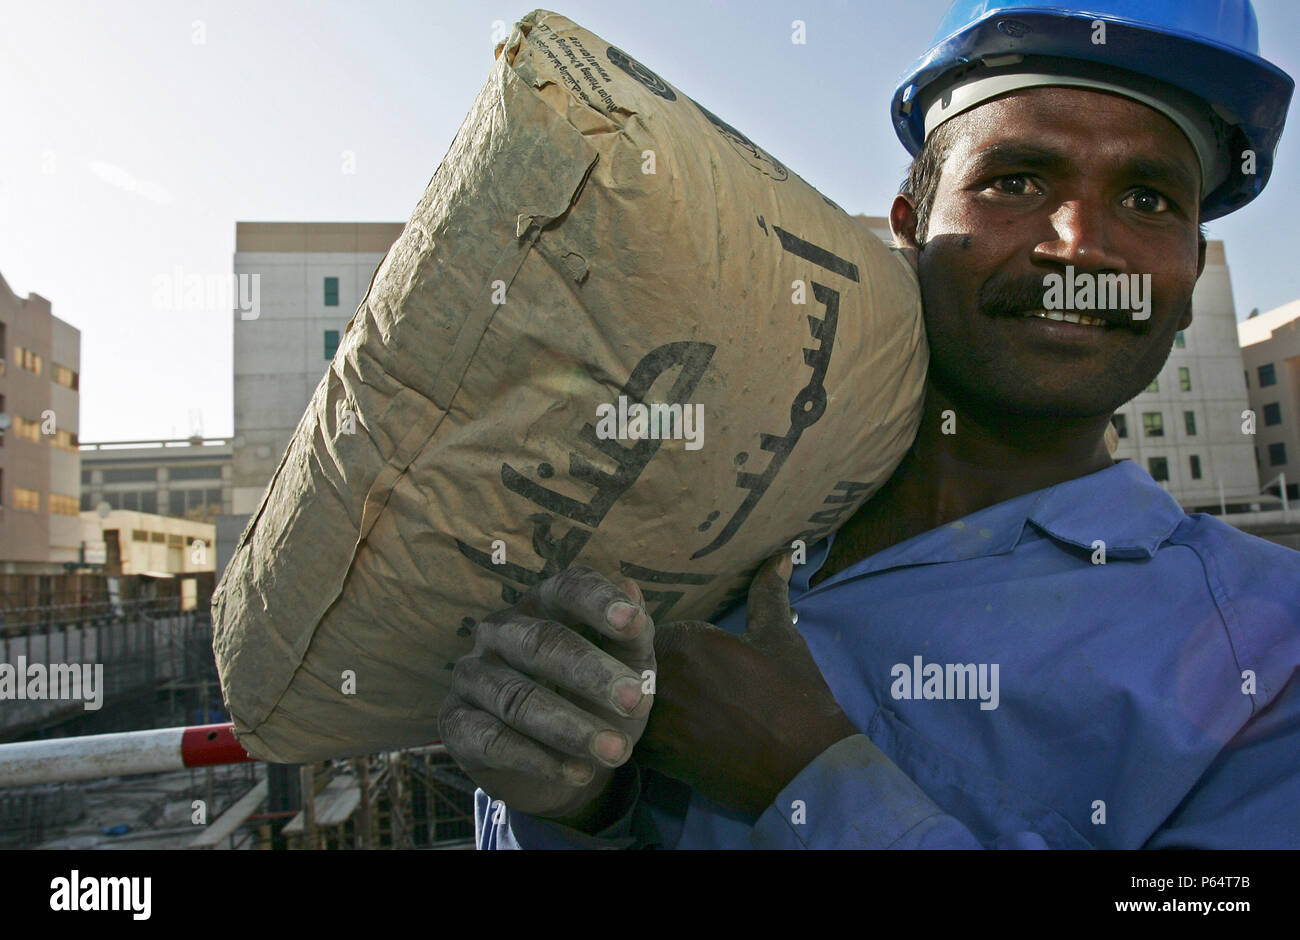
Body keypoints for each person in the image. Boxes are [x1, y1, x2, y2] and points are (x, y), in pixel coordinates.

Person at [438, 0, 1300, 848]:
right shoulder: (697, 533)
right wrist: (581, 809)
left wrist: (800, 779)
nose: (1079, 246)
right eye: (1017, 182)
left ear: (1189, 274)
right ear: (910, 230)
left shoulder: (1271, 653)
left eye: (1148, 200)